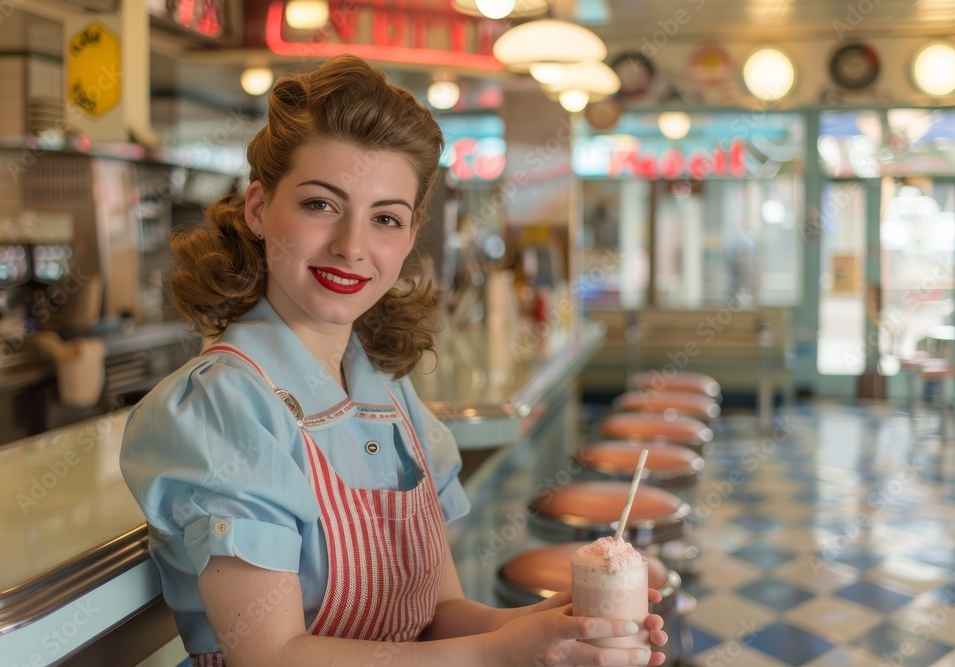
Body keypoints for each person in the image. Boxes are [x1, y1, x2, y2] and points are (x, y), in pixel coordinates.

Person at [120, 54, 667, 667]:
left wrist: (558, 626)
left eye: (385, 218)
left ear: (409, 239)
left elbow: (436, 616)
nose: (353, 246)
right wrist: (501, 654)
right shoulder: (225, 405)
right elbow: (272, 655)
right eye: (320, 204)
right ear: (256, 208)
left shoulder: (383, 389)